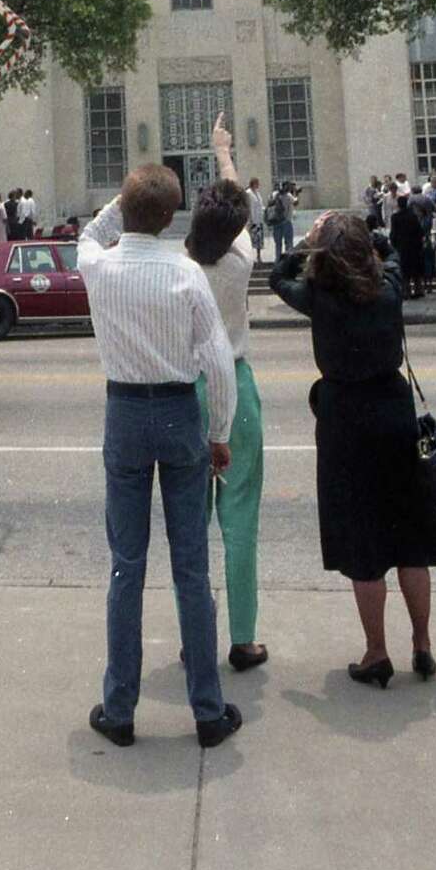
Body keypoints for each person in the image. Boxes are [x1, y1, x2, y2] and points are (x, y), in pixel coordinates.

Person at [80, 165, 243, 749]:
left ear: (122, 209)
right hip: (179, 412)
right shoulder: (186, 273)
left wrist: (118, 208)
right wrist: (219, 431)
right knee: (192, 570)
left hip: (124, 411)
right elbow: (219, 362)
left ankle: (120, 708)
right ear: (173, 217)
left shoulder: (99, 267)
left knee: (127, 565)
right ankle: (207, 709)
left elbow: (89, 237)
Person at [270, 212, 436, 686]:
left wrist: (307, 243)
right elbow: (390, 255)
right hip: (393, 411)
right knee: (412, 541)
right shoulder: (389, 289)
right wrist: (366, 239)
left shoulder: (318, 297)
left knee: (363, 544)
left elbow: (277, 276)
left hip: (345, 419)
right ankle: (423, 643)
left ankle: (376, 651)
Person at [184, 116, 267, 672]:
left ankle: (196, 636)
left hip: (187, 392)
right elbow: (240, 209)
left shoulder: (181, 269)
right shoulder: (243, 261)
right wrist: (223, 153)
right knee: (240, 522)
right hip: (234, 386)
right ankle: (242, 638)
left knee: (191, 523)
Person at [389, 194, 426, 299]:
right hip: (414, 246)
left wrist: (394, 244)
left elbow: (393, 233)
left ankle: (406, 291)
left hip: (402, 247)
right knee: (415, 269)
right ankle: (418, 290)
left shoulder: (395, 217)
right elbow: (419, 231)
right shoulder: (413, 216)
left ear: (398, 205)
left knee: (404, 270)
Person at [246, 177, 265, 263]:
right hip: (252, 221)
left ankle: (258, 256)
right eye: (257, 183)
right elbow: (249, 207)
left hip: (259, 220)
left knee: (259, 239)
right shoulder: (248, 193)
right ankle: (248, 257)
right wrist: (251, 220)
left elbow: (260, 205)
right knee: (251, 240)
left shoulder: (257, 193)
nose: (258, 185)